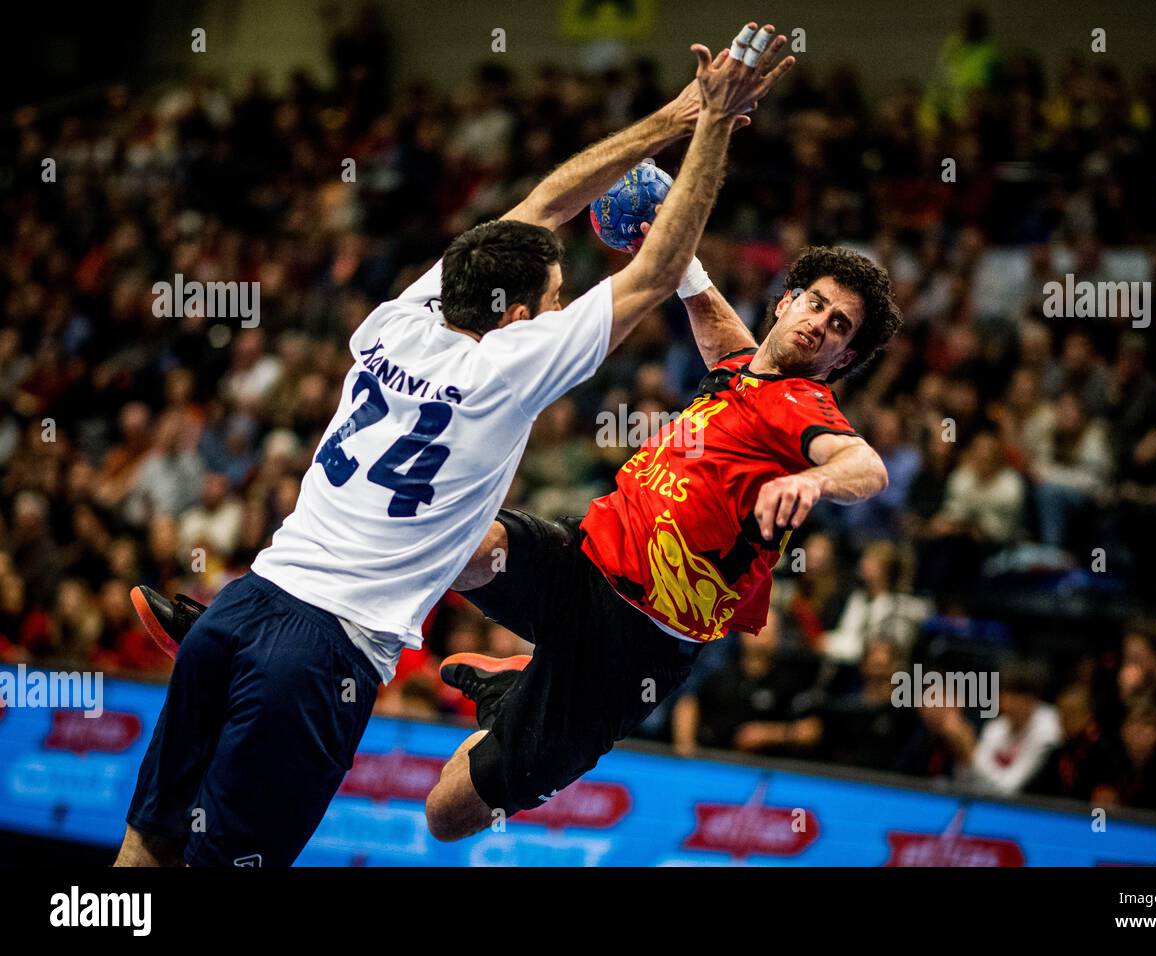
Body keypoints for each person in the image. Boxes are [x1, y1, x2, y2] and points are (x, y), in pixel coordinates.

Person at [117, 21, 795, 866]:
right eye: (555, 298)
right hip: (317, 654)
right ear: (518, 317)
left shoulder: (394, 321)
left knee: (148, 839)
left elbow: (539, 208)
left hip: (246, 607)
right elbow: (657, 272)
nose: (560, 310)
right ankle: (544, 678)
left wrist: (678, 111)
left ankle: (534, 669)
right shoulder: (509, 368)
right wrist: (716, 123)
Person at [425, 163, 901, 834]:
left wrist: (814, 480)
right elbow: (725, 339)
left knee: (446, 813)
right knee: (455, 540)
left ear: (843, 359)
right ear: (785, 301)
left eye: (840, 326)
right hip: (584, 563)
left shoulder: (801, 404)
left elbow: (866, 466)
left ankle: (522, 694)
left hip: (632, 652)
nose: (821, 323)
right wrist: (682, 263)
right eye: (815, 303)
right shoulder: (742, 373)